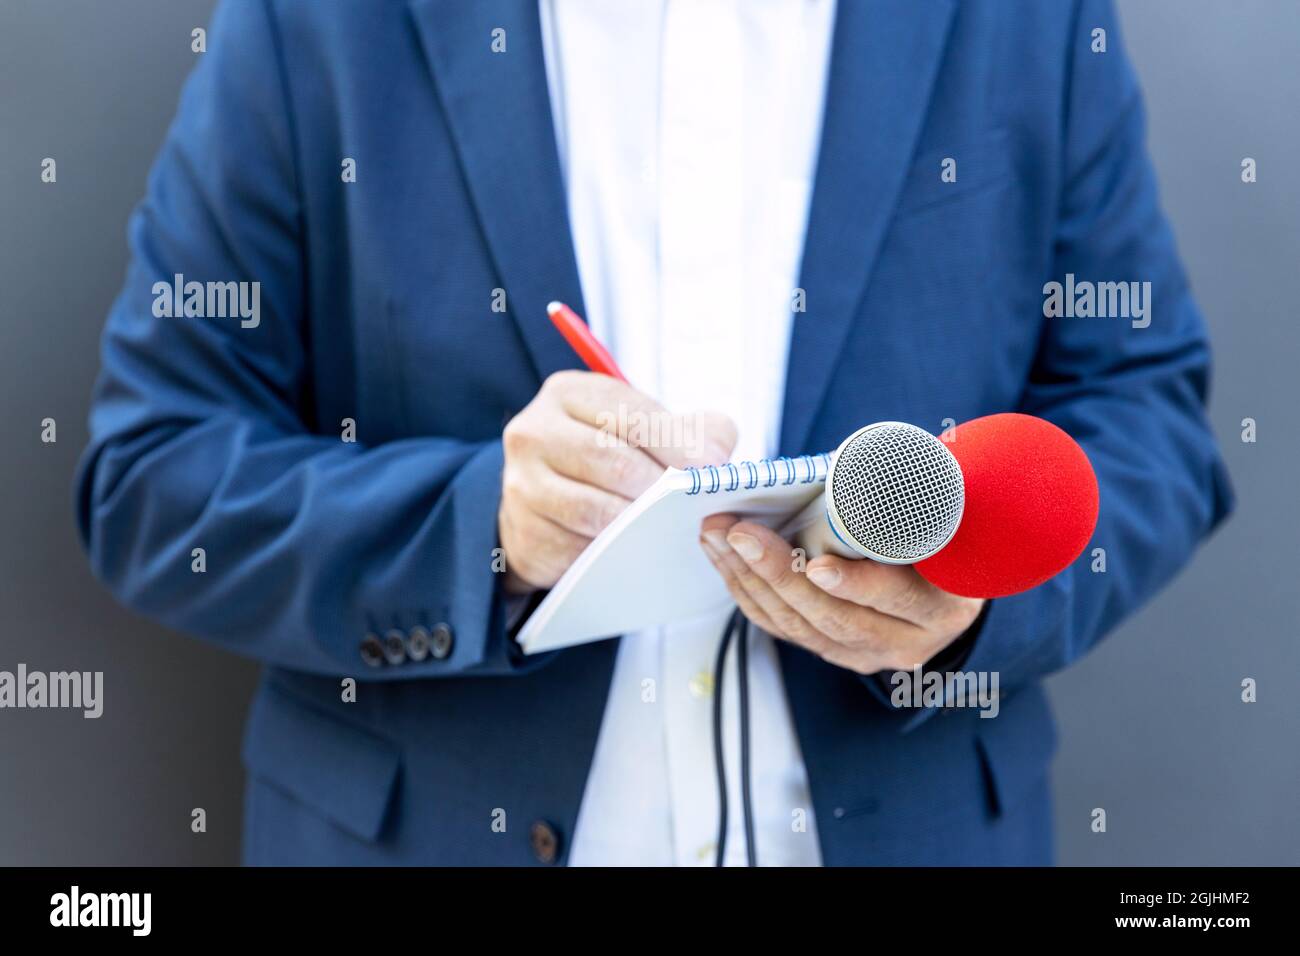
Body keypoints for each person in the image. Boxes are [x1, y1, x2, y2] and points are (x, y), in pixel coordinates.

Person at [77, 0, 1232, 865]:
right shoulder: (321, 19)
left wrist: (974, 601)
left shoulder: (1022, 17)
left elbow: (1147, 416)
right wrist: (482, 529)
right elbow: (151, 475)